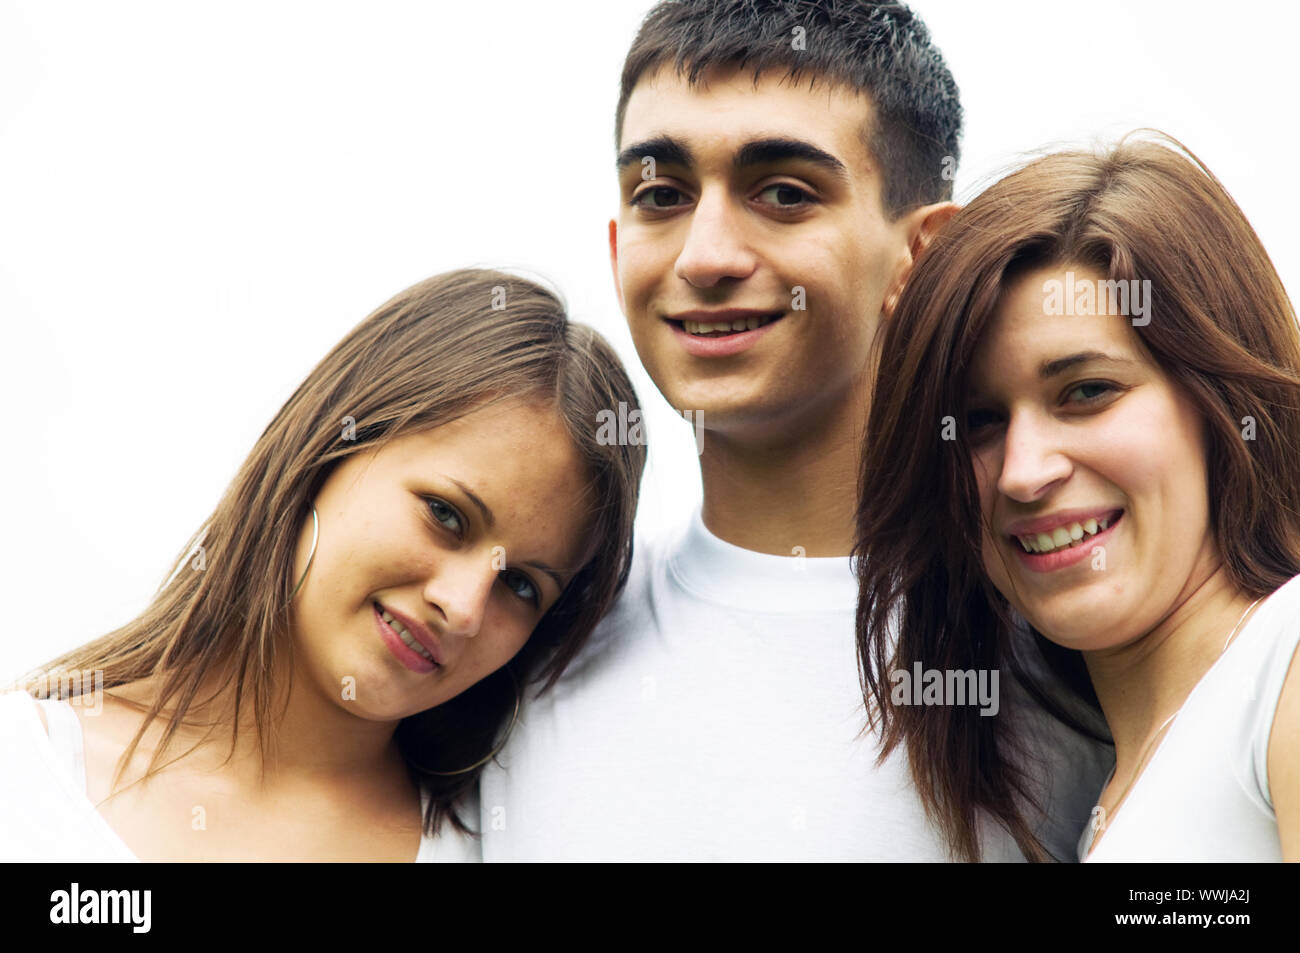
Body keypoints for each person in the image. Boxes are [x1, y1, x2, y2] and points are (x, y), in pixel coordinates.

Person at [477, 0, 1109, 861]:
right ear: (620, 243)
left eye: (783, 193)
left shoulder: (1085, 640)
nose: (705, 256)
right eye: (662, 196)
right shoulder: (505, 647)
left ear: (920, 255)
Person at [0, 268, 645, 862]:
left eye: (522, 585)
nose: (465, 606)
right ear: (327, 452)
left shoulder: (511, 846)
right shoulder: (26, 779)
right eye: (446, 515)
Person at [854, 133, 1300, 862]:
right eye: (979, 422)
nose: (1023, 473)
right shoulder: (1111, 791)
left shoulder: (1287, 661)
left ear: (1223, 404)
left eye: (1088, 392)